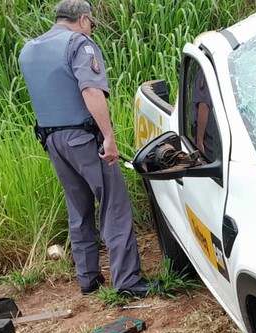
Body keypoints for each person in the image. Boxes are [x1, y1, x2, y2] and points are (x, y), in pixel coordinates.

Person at [19, 0, 151, 297]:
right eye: (91, 24)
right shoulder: (79, 44)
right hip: (83, 137)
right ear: (83, 19)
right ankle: (127, 282)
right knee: (114, 205)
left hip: (52, 140)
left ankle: (88, 279)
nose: (91, 30)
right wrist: (109, 136)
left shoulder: (29, 49)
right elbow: (90, 90)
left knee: (78, 208)